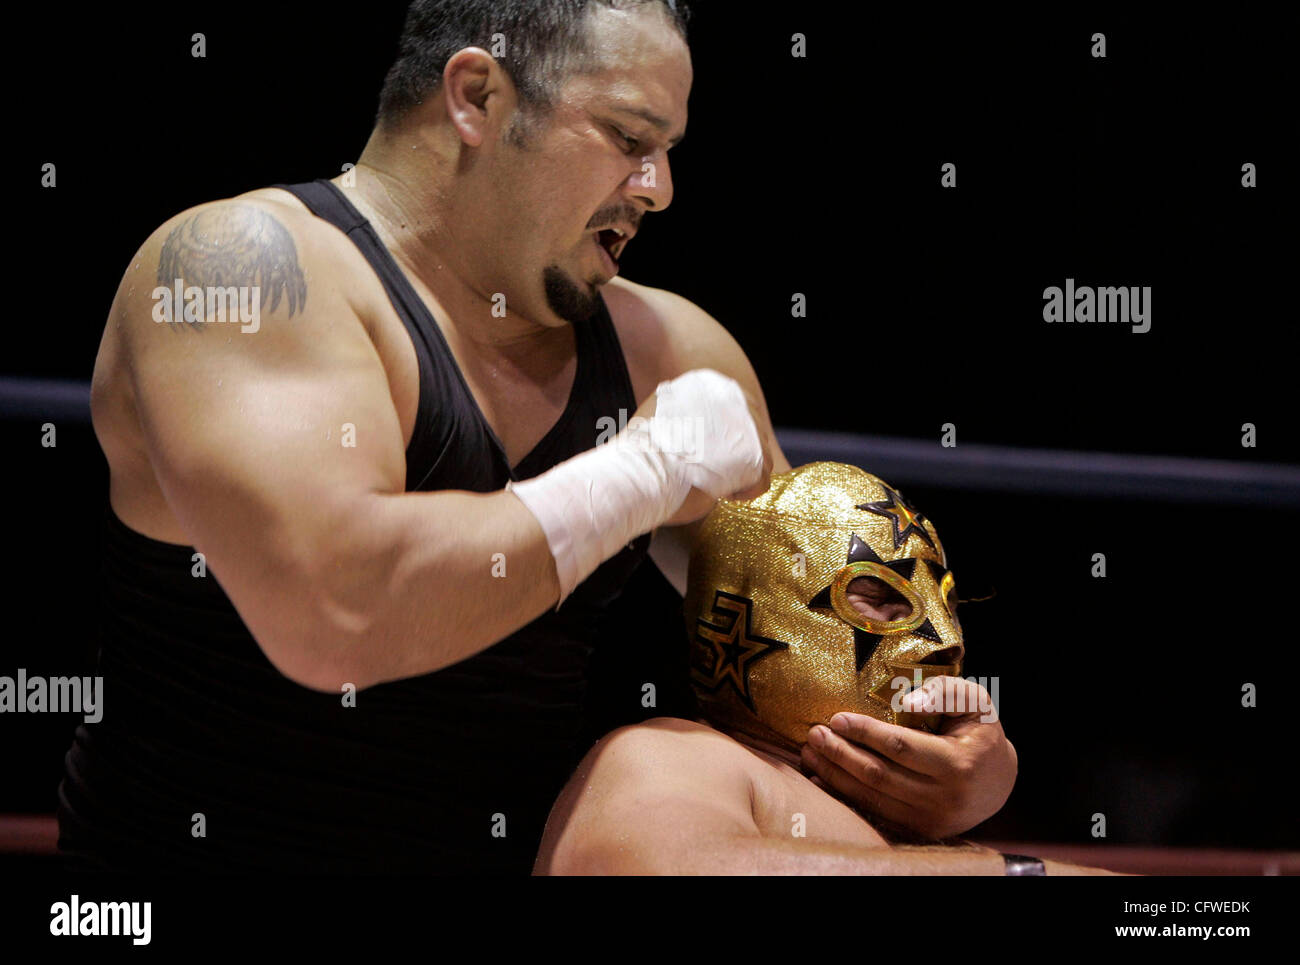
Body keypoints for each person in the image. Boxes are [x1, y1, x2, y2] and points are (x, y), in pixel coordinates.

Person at [60, 2, 1015, 873]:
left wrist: (954, 764)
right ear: (477, 96)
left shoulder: (666, 351)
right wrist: (643, 471)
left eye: (670, 148)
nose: (661, 188)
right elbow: (334, 613)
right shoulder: (238, 273)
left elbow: (810, 662)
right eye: (630, 138)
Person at [536, 463, 1110, 875]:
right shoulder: (676, 753)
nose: (946, 640)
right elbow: (645, 866)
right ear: (749, 613)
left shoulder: (912, 816)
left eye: (950, 604)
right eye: (881, 598)